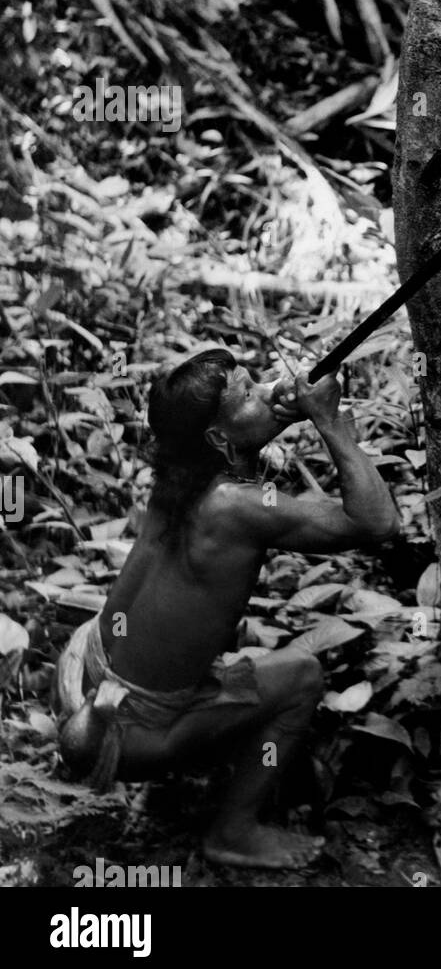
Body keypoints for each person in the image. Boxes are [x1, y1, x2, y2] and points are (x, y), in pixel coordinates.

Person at [52, 348, 400, 869]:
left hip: (77, 678)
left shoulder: (177, 473)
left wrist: (277, 404)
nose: (265, 390)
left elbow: (235, 435)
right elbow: (378, 523)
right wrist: (330, 423)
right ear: (218, 439)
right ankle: (232, 831)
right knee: (303, 677)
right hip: (123, 737)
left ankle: (191, 752)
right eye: (249, 391)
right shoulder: (236, 507)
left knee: (235, 656)